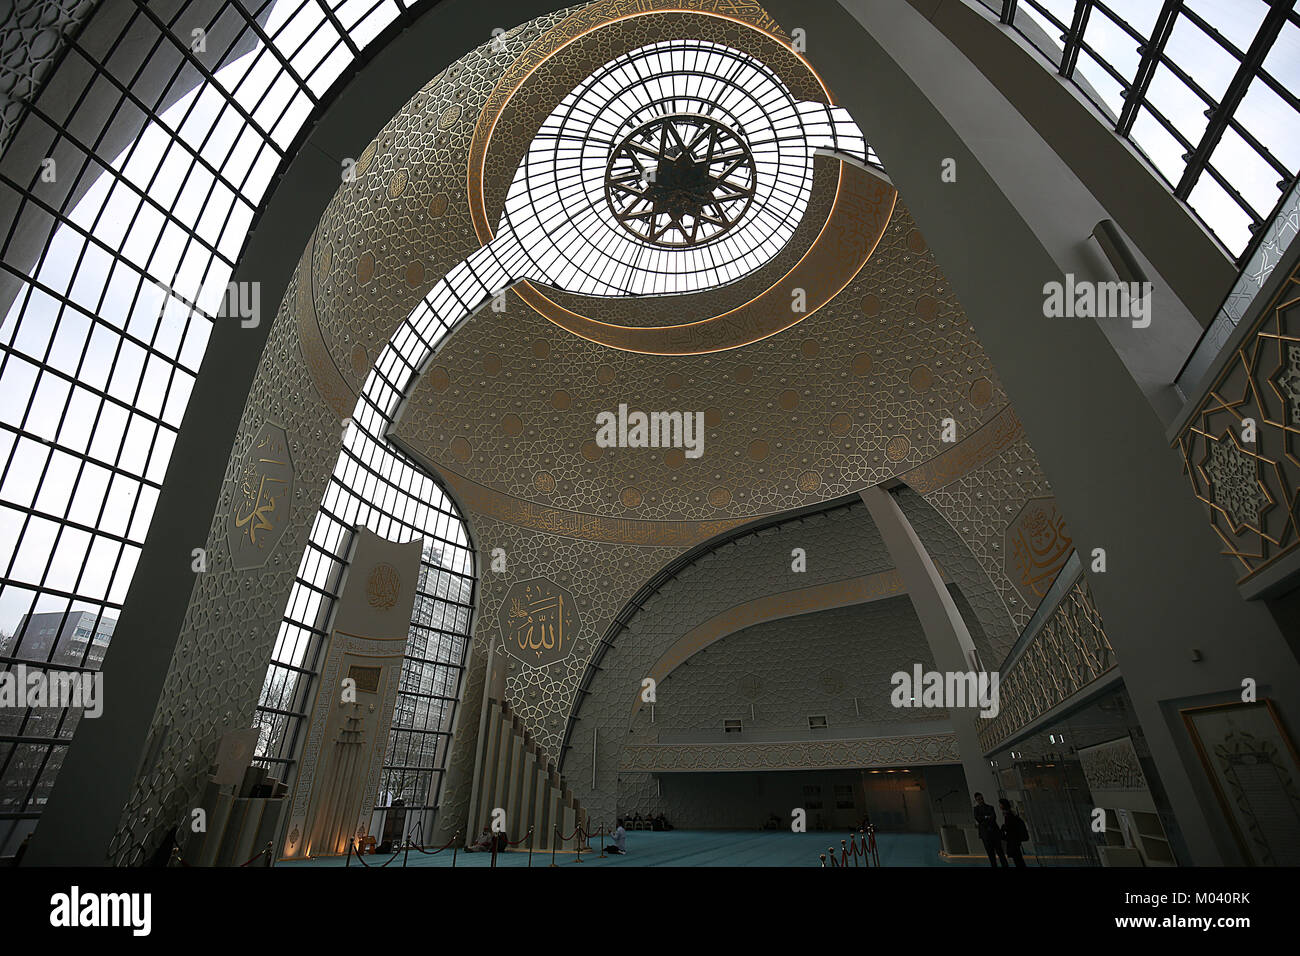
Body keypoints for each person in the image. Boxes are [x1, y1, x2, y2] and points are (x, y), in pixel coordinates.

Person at [973, 792, 1006, 867]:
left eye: (981, 798)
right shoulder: (976, 809)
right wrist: (986, 817)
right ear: (976, 800)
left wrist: (984, 818)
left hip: (993, 832)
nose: (981, 800)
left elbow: (993, 817)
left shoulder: (990, 807)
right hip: (986, 834)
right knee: (991, 854)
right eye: (979, 799)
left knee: (1000, 852)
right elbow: (978, 818)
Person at [999, 798, 1028, 868]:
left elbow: (1010, 827)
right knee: (1018, 858)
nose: (999, 806)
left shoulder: (1008, 815)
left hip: (1013, 840)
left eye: (1000, 804)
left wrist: (1004, 828)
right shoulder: (1011, 813)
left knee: (1017, 859)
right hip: (1015, 840)